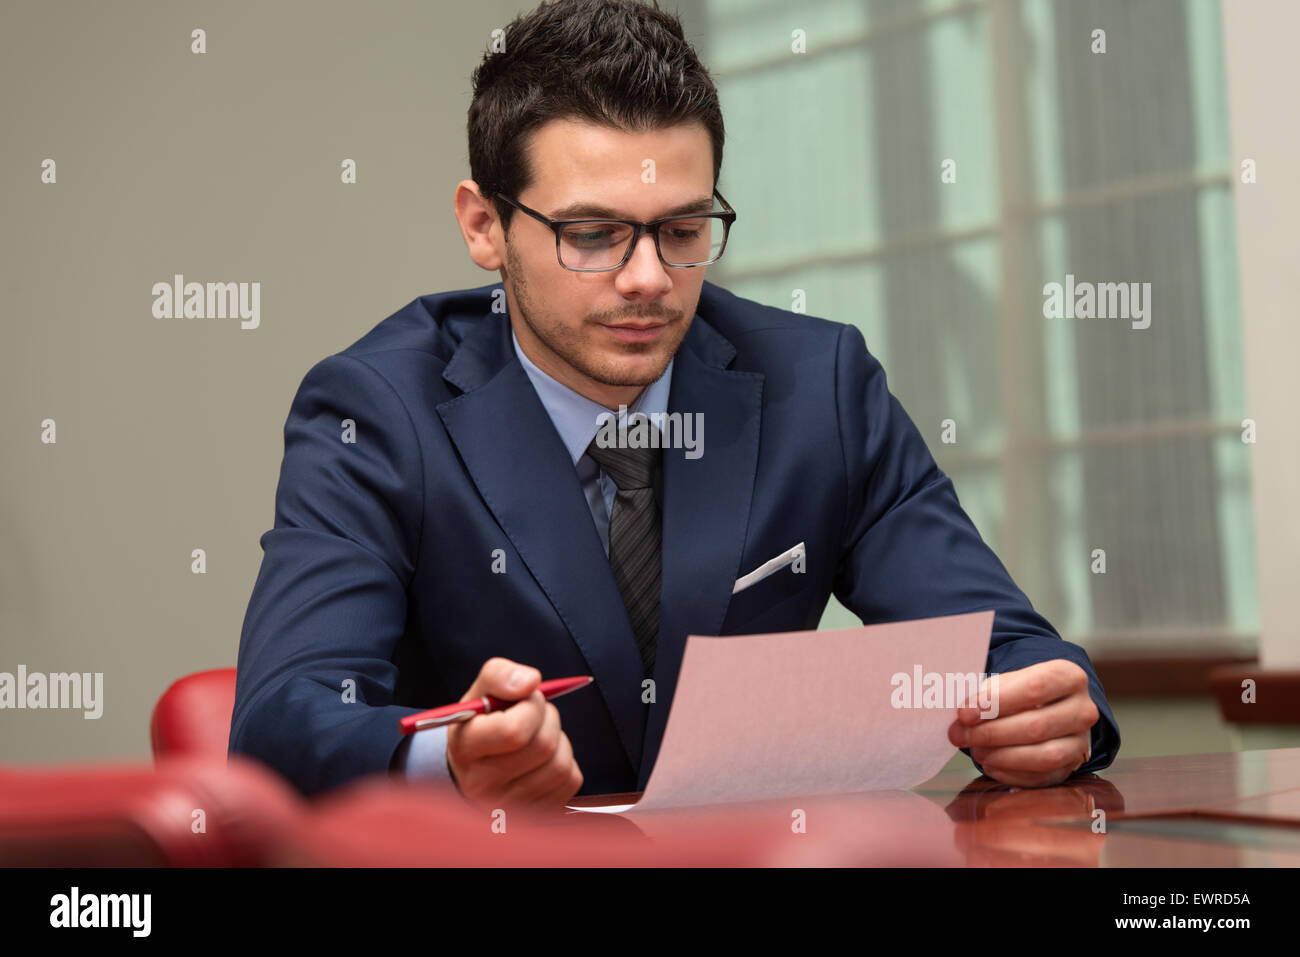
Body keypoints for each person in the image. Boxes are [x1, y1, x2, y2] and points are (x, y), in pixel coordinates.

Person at [229, 0, 1119, 808]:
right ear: (483, 226)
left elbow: (1006, 649)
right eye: (592, 235)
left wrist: (1046, 703)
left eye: (684, 230)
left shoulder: (822, 387)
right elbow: (283, 719)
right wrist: (449, 760)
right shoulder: (378, 413)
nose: (650, 279)